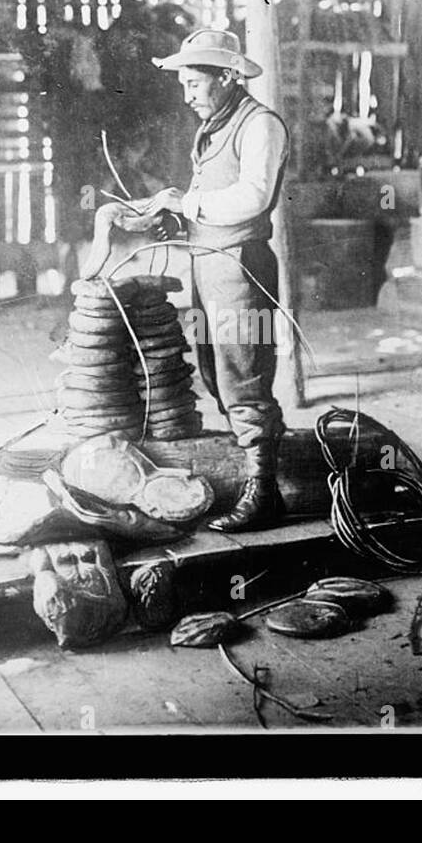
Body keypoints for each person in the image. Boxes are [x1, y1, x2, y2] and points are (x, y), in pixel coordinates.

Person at [143, 29, 290, 532]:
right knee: (214, 370)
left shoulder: (260, 126)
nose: (187, 95)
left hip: (242, 268)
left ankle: (265, 493)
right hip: (208, 264)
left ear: (227, 77)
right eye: (182, 84)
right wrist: (179, 212)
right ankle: (254, 474)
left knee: (244, 373)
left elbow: (252, 197)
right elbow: (210, 198)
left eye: (195, 84)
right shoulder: (213, 127)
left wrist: (188, 204)